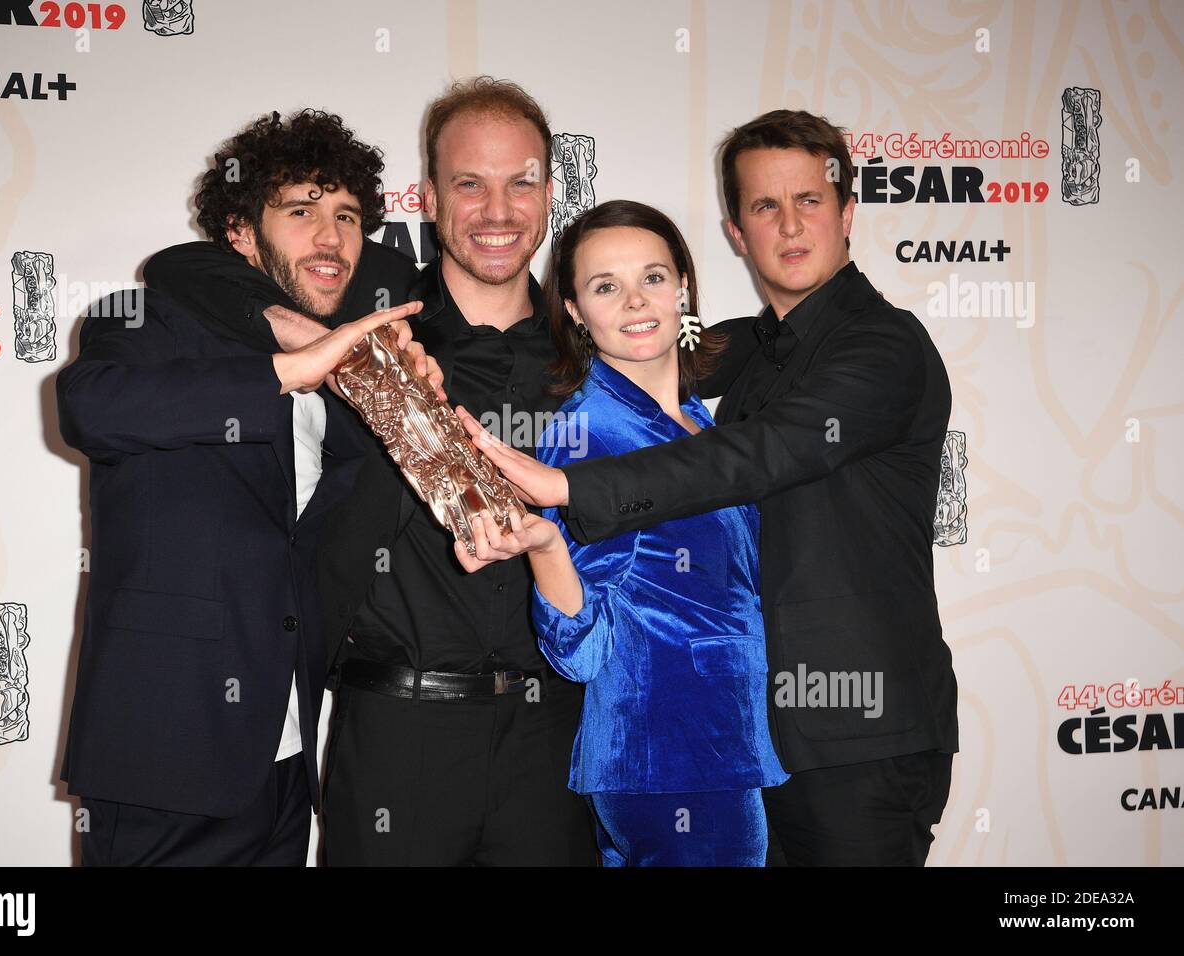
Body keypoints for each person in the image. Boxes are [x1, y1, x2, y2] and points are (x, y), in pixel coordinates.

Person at [458, 109, 958, 866]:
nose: (789, 225)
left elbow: (759, 453)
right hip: (753, 743)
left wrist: (568, 484)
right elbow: (631, 339)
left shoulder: (883, 346)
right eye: (765, 206)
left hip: (861, 734)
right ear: (736, 232)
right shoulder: (755, 350)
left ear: (848, 211)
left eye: (811, 200)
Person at [142, 78, 597, 865]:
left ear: (550, 193)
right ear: (427, 197)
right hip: (395, 735)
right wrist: (298, 329)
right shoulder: (366, 307)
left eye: (521, 182)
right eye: (469, 184)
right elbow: (184, 268)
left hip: (557, 738)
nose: (498, 211)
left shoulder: (595, 343)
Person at [57, 108, 439, 865]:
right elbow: (88, 406)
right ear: (239, 231)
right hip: (165, 754)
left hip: (286, 761)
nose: (330, 238)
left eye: (347, 217)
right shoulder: (150, 324)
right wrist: (284, 369)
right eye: (300, 211)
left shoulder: (350, 365)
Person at [459, 200, 789, 865]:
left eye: (653, 277)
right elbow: (578, 652)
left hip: (707, 751)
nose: (636, 301)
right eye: (606, 286)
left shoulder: (699, 419)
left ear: (685, 288)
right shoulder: (594, 434)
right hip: (673, 762)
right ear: (575, 310)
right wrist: (550, 547)